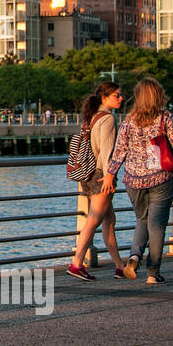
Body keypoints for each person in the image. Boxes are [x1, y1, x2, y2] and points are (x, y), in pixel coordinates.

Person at [103, 77, 173, 285]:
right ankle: (153, 272)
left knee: (143, 219)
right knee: (157, 225)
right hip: (162, 178)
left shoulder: (129, 120)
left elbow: (119, 150)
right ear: (158, 96)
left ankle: (134, 256)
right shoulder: (164, 118)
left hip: (133, 180)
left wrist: (110, 174)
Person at [66, 82, 126, 281]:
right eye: (116, 95)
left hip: (89, 174)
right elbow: (107, 151)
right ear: (104, 97)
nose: (121, 98)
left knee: (109, 220)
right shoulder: (108, 119)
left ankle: (119, 266)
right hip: (102, 174)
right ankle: (76, 263)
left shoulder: (91, 117)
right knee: (94, 219)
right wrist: (110, 176)